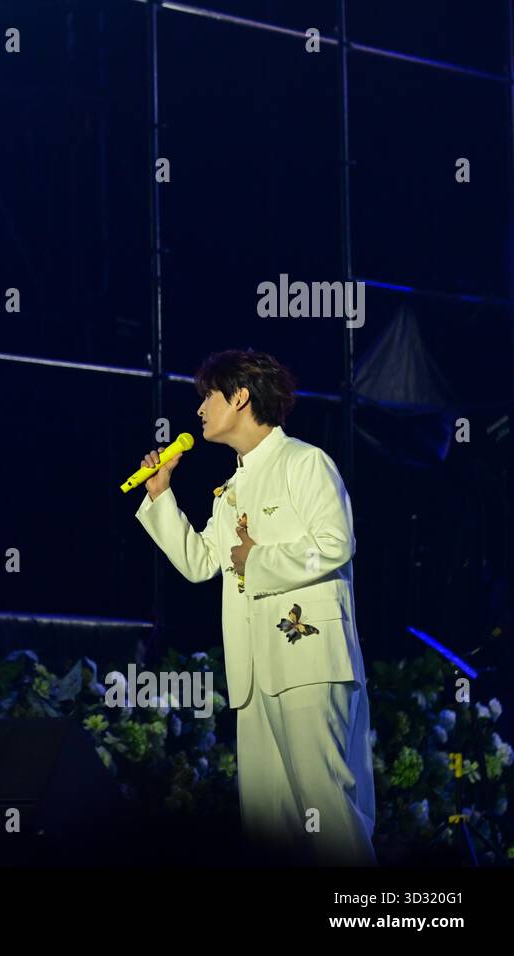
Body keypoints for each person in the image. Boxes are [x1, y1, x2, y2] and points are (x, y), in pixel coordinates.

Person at [133, 348, 376, 866]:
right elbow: (201, 563)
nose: (199, 410)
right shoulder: (231, 489)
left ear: (240, 397)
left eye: (208, 397)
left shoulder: (305, 462)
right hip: (252, 674)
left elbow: (335, 544)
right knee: (270, 826)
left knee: (327, 811)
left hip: (308, 660)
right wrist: (160, 496)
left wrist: (257, 559)